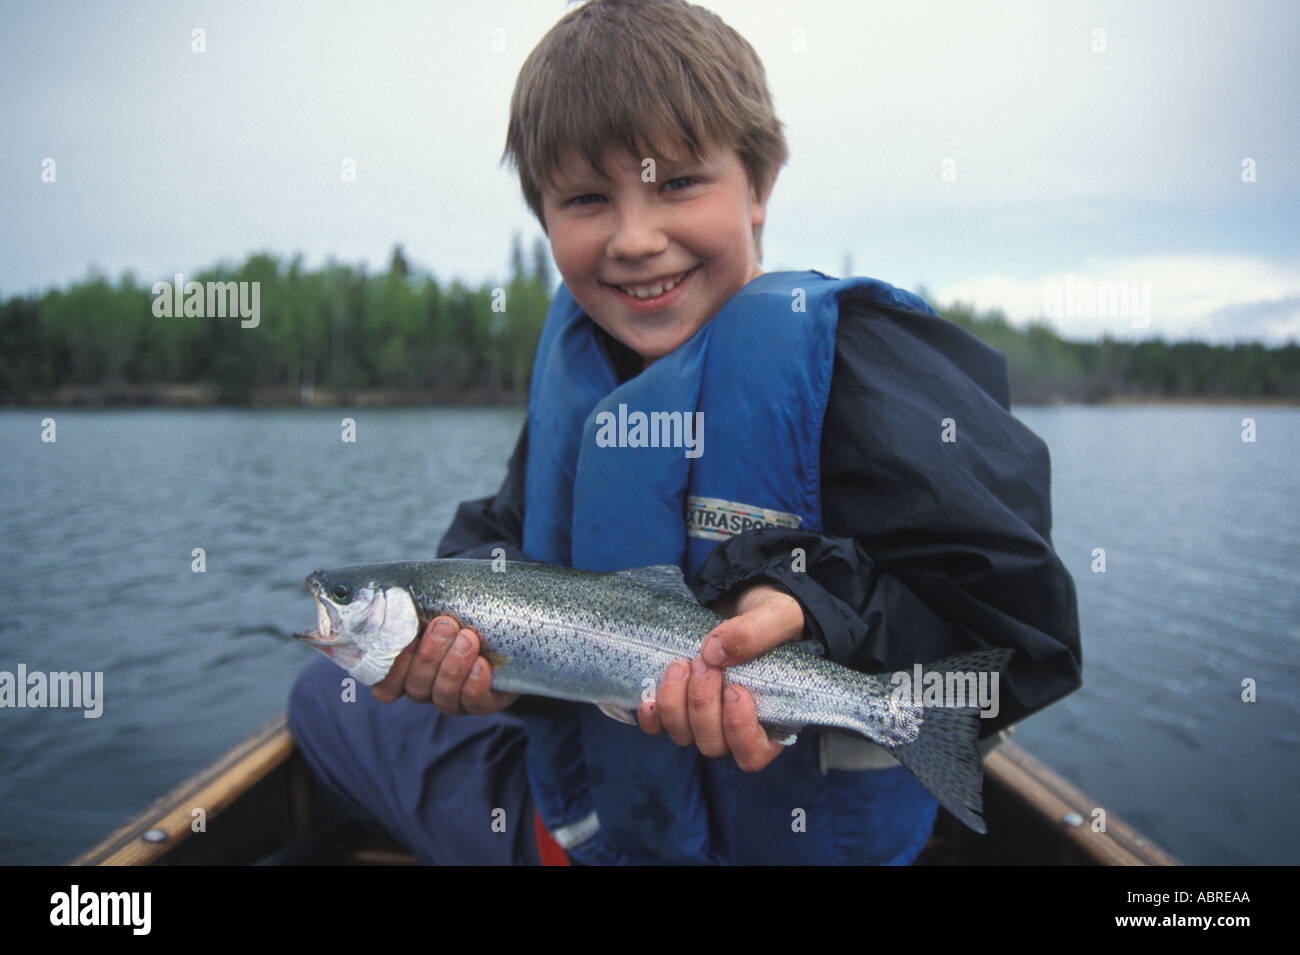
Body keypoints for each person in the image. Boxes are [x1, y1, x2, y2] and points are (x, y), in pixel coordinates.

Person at [288, 0, 1082, 865]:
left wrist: (823, 614)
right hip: (591, 828)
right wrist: (467, 662)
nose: (636, 238)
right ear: (543, 216)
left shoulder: (860, 374)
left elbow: (1029, 630)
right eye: (588, 198)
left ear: (760, 186)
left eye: (677, 183)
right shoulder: (585, 373)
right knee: (325, 690)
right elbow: (507, 534)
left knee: (320, 711)